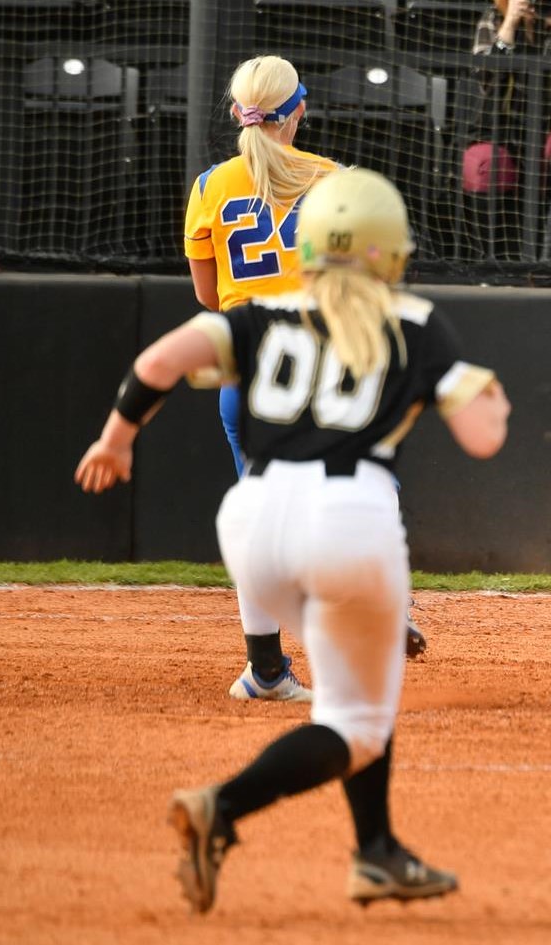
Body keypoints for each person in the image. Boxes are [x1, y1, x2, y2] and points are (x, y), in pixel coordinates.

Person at [75, 167, 511, 912]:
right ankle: (225, 805)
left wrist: (117, 440)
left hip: (253, 522)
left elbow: (157, 365)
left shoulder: (263, 311)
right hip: (347, 522)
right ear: (388, 250)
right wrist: (484, 392)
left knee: (358, 683)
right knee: (357, 721)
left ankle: (376, 849)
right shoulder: (412, 320)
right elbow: (482, 436)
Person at [184, 55, 337, 702]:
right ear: (298, 110)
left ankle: (266, 670)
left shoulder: (210, 185)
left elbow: (209, 295)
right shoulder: (334, 180)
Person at [465, 0, 551, 262]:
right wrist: (509, 25)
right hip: (503, 125)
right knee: (483, 163)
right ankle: (498, 262)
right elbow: (484, 79)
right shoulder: (494, 19)